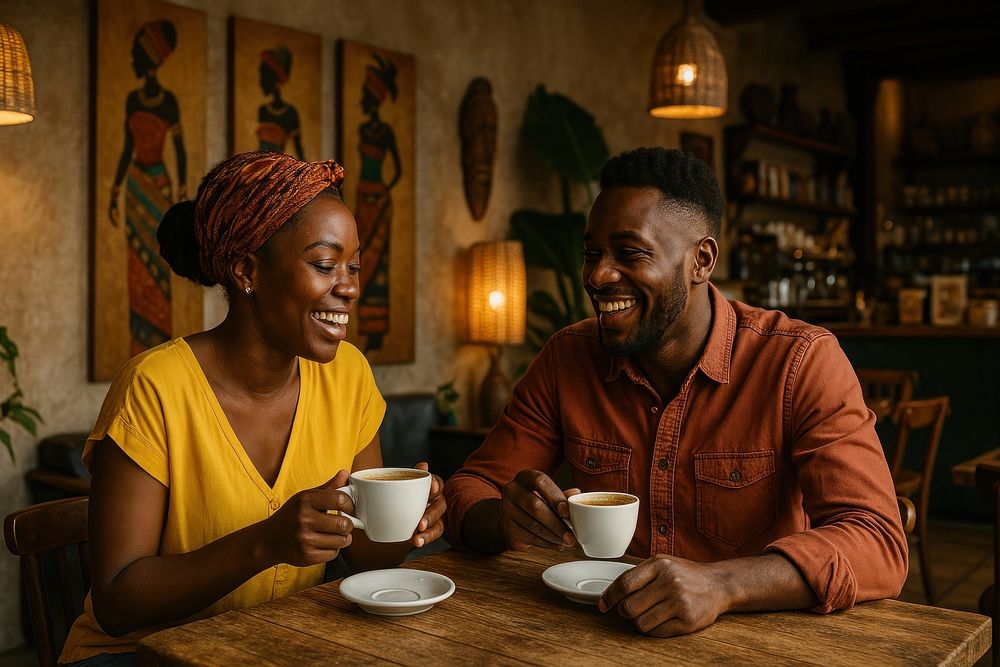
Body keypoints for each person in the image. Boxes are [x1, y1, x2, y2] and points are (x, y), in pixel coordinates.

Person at [443, 147, 907, 638]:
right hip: (599, 634)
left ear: (701, 260)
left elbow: (877, 541)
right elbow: (467, 491)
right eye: (592, 253)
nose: (597, 276)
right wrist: (504, 521)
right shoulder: (567, 358)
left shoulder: (799, 362)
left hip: (760, 644)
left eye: (630, 253)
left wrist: (723, 585)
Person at [61, 151, 446, 665]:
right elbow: (116, 601)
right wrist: (267, 543)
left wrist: (407, 524)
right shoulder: (154, 387)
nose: (351, 287)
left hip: (268, 647)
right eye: (325, 265)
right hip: (138, 655)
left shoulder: (347, 374)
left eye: (353, 267)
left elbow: (365, 552)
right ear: (247, 270)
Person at [108, 19, 188, 356]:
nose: (131, 60)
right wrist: (115, 190)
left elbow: (180, 151)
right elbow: (128, 149)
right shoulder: (131, 100)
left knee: (157, 264)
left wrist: (183, 192)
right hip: (136, 186)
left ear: (149, 56)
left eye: (135, 53)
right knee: (136, 266)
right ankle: (139, 341)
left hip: (159, 186)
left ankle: (158, 339)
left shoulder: (169, 102)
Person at [354, 53, 402, 352]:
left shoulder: (385, 133)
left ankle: (375, 331)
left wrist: (386, 191)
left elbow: (398, 169)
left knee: (377, 264)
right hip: (361, 197)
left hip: (378, 198)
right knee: (359, 260)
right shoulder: (362, 130)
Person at [256, 47, 305, 159]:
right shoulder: (263, 110)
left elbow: (300, 153)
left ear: (274, 79)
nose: (261, 81)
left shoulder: (290, 113)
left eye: (263, 76)